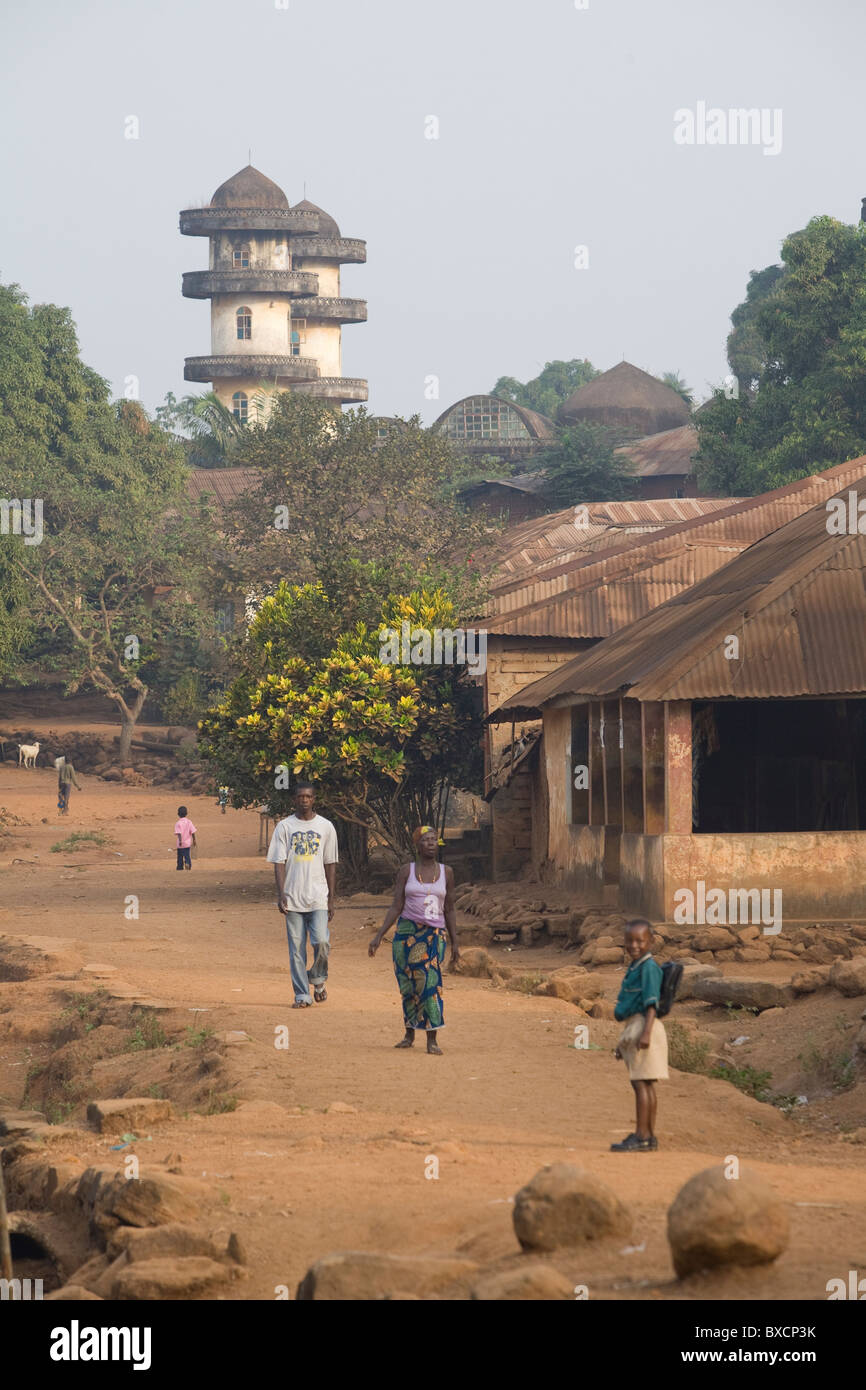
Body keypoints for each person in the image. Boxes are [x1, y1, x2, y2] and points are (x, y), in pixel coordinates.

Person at [368, 825, 459, 1055]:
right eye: (426, 840)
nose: (431, 843)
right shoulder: (406, 871)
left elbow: (449, 909)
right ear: (417, 845)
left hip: (433, 934)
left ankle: (432, 1038)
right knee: (407, 984)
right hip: (406, 934)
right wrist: (379, 935)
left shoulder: (446, 872)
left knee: (430, 984)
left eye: (433, 840)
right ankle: (409, 1033)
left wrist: (456, 942)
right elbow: (396, 905)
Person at [267, 783, 338, 1009]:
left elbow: (331, 863)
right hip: (293, 899)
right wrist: (281, 894)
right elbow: (279, 862)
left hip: (318, 896)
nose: (304, 800)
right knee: (296, 950)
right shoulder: (284, 827)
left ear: (314, 799)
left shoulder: (326, 827)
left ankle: (317, 978)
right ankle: (301, 995)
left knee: (322, 942)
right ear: (294, 800)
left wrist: (331, 899)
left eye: (308, 797)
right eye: (300, 797)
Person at [610, 917, 668, 1152]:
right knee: (645, 1083)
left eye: (640, 941)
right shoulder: (637, 965)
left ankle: (642, 1136)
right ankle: (648, 1136)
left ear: (651, 941)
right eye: (629, 941)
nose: (634, 945)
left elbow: (651, 1003)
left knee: (640, 1084)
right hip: (636, 1025)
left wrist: (645, 1034)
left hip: (645, 1025)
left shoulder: (648, 968)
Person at [174, 805, 197, 870]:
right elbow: (193, 831)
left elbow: (179, 833)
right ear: (186, 813)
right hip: (187, 843)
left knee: (180, 857)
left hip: (180, 844)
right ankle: (188, 864)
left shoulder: (178, 823)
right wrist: (194, 840)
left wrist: (180, 841)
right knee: (187, 856)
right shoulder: (189, 822)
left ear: (178, 814)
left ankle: (180, 867)